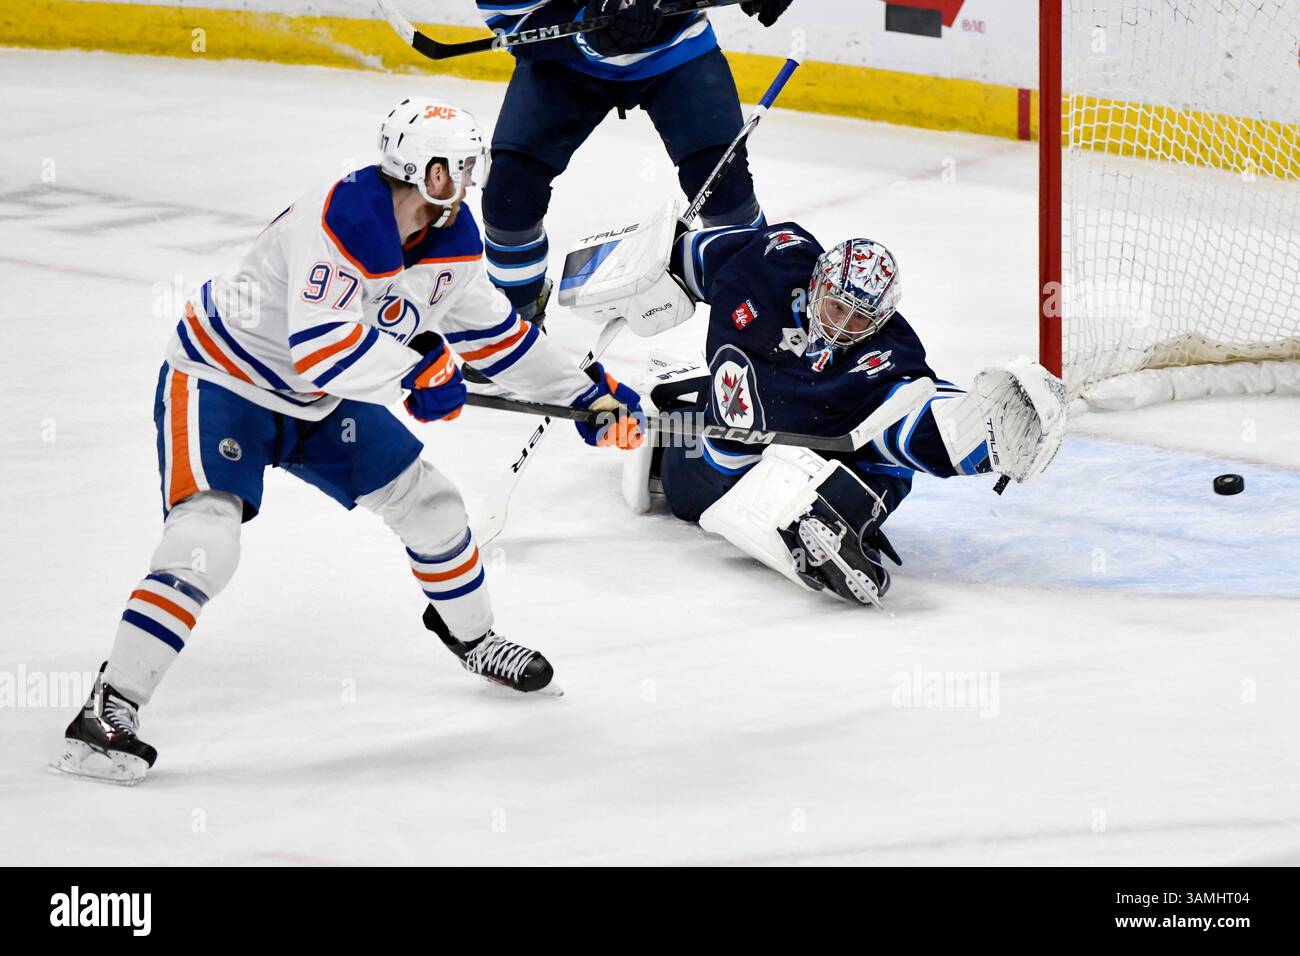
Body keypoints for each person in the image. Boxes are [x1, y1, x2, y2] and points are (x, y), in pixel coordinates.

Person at [53, 97, 644, 785]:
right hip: (222, 381)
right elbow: (319, 349)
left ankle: (473, 639)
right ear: (415, 168)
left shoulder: (450, 243)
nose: (465, 179)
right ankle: (108, 707)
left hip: (321, 398)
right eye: (451, 167)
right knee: (205, 541)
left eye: (468, 165)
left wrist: (585, 394)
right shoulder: (342, 219)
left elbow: (499, 338)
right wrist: (418, 365)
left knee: (436, 508)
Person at [588, 217, 1068, 606]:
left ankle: (840, 523)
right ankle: (677, 423)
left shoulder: (891, 353)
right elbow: (689, 254)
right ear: (817, 282)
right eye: (839, 309)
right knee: (695, 471)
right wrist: (640, 266)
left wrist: (982, 435)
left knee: (883, 456)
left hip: (812, 447)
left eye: (861, 319)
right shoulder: (771, 263)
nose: (845, 327)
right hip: (717, 460)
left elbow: (913, 415)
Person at [474, 0, 796, 327]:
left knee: (726, 193)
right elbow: (509, 15)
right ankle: (516, 322)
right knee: (508, 196)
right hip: (566, 65)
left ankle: (761, 317)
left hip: (677, 50)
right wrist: (585, 29)